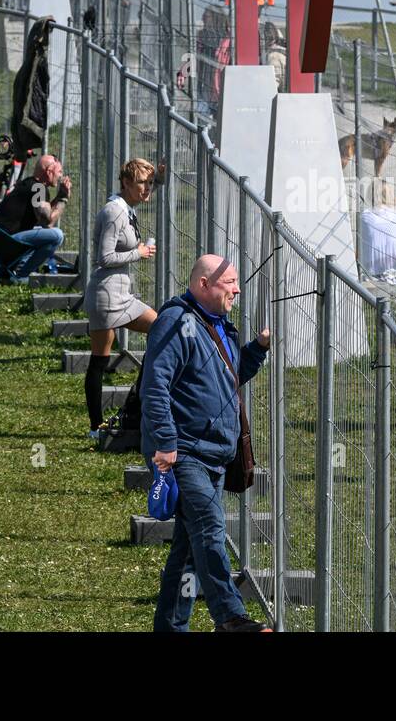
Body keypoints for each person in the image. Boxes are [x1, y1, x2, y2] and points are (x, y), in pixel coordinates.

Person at [142, 254, 272, 632]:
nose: (236, 289)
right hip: (184, 454)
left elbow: (225, 379)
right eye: (228, 282)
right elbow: (155, 385)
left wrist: (257, 349)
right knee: (211, 527)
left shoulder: (219, 326)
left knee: (187, 553)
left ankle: (170, 627)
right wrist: (165, 443)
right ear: (203, 285)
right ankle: (231, 618)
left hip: (214, 456)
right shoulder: (177, 321)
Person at [83, 158, 160, 438]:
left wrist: (158, 177)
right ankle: (95, 427)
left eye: (149, 183)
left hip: (122, 295)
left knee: (162, 328)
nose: (147, 189)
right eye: (142, 183)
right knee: (99, 361)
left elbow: (148, 189)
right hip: (105, 296)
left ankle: (138, 400)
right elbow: (104, 258)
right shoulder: (114, 212)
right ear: (125, 183)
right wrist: (137, 253)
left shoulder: (126, 206)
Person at [0, 154, 72, 282]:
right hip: (7, 244)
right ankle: (22, 275)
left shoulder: (30, 184)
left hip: (0, 245)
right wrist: (63, 198)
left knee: (44, 231)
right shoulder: (38, 188)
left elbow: (44, 214)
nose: (61, 176)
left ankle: (19, 268)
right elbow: (48, 221)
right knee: (57, 235)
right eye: (59, 171)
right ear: (49, 171)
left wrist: (59, 196)